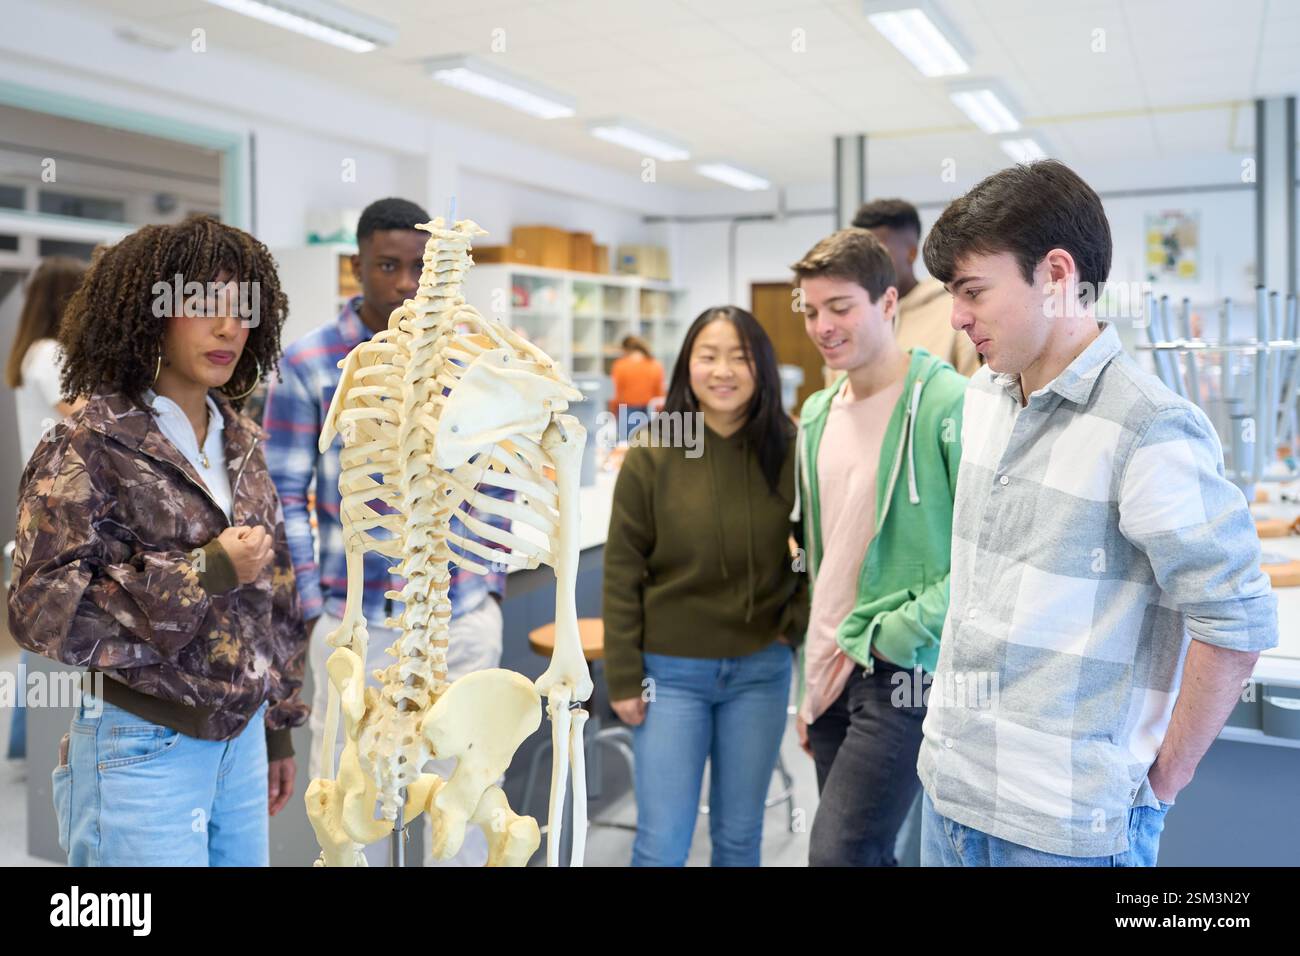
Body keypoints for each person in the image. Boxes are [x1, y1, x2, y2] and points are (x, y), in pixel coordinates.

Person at [917, 159, 1278, 866]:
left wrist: (1162, 781)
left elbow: (1236, 620)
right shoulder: (984, 397)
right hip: (952, 796)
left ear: (1055, 275)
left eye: (972, 291)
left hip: (1065, 833)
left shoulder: (1146, 426)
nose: (957, 317)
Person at [7, 215, 306, 866]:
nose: (229, 327)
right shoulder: (91, 442)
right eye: (204, 306)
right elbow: (38, 608)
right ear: (152, 315)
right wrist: (203, 572)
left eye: (241, 309)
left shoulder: (240, 437)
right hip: (142, 742)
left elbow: (275, 594)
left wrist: (278, 728)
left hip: (243, 738)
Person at [263, 196, 513, 867]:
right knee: (353, 808)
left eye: (419, 267)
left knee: (459, 803)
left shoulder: (469, 360)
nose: (405, 283)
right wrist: (316, 606)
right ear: (357, 266)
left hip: (457, 618)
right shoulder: (310, 362)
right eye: (387, 265)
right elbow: (283, 493)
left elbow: (499, 478)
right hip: (357, 626)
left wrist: (488, 582)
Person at [603, 306, 807, 867]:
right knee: (662, 843)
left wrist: (794, 625)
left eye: (740, 358)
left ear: (761, 367)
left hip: (761, 672)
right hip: (669, 675)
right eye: (708, 356)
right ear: (687, 365)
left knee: (740, 839)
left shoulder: (789, 445)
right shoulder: (655, 448)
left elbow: (813, 549)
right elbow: (622, 568)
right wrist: (623, 675)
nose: (723, 371)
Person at [789, 229, 966, 866]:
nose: (822, 326)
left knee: (839, 853)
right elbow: (826, 556)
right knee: (868, 855)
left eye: (840, 306)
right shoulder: (814, 414)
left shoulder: (947, 402)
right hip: (832, 663)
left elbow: (982, 553)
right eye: (810, 310)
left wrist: (902, 632)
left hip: (901, 669)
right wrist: (810, 682)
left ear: (888, 304)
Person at [5, 256, 88, 762]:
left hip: (51, 512)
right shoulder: (49, 354)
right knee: (49, 648)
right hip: (56, 513)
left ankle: (24, 746)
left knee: (42, 652)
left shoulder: (38, 354)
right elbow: (82, 412)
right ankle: (30, 749)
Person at [853, 198, 980, 377]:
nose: (867, 264)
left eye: (879, 254)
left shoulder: (955, 314)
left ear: (911, 253)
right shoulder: (855, 318)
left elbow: (974, 390)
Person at [608, 333, 665, 417]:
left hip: (626, 409)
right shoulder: (654, 365)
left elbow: (615, 392)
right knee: (647, 430)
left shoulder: (620, 365)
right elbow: (659, 391)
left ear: (625, 349)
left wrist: (612, 410)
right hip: (649, 409)